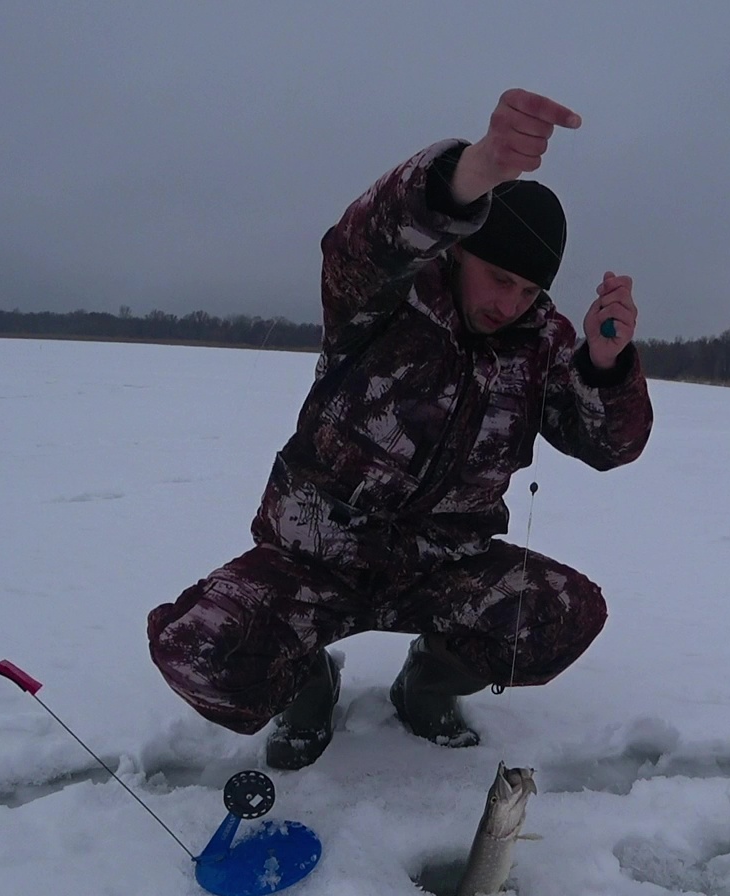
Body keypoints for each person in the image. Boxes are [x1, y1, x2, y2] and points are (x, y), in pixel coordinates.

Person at [147, 89, 652, 770]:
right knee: (202, 653)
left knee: (564, 614)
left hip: (443, 566)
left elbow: (611, 447)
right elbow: (362, 243)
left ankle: (426, 687)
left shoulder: (541, 345)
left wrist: (604, 361)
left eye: (529, 292)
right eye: (498, 278)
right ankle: (308, 687)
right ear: (459, 252)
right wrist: (469, 174)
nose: (510, 304)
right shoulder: (386, 299)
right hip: (317, 558)